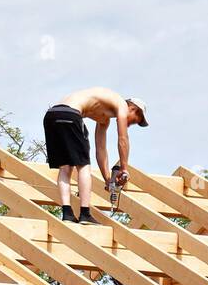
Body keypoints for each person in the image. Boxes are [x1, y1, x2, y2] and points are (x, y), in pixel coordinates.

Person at [41, 88, 148, 224]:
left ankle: (67, 213)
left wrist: (108, 179)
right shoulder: (122, 104)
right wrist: (124, 168)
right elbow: (123, 138)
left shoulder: (103, 118)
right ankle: (85, 213)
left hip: (52, 116)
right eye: (136, 121)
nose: (132, 124)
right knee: (83, 166)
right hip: (70, 115)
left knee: (65, 167)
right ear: (133, 109)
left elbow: (101, 149)